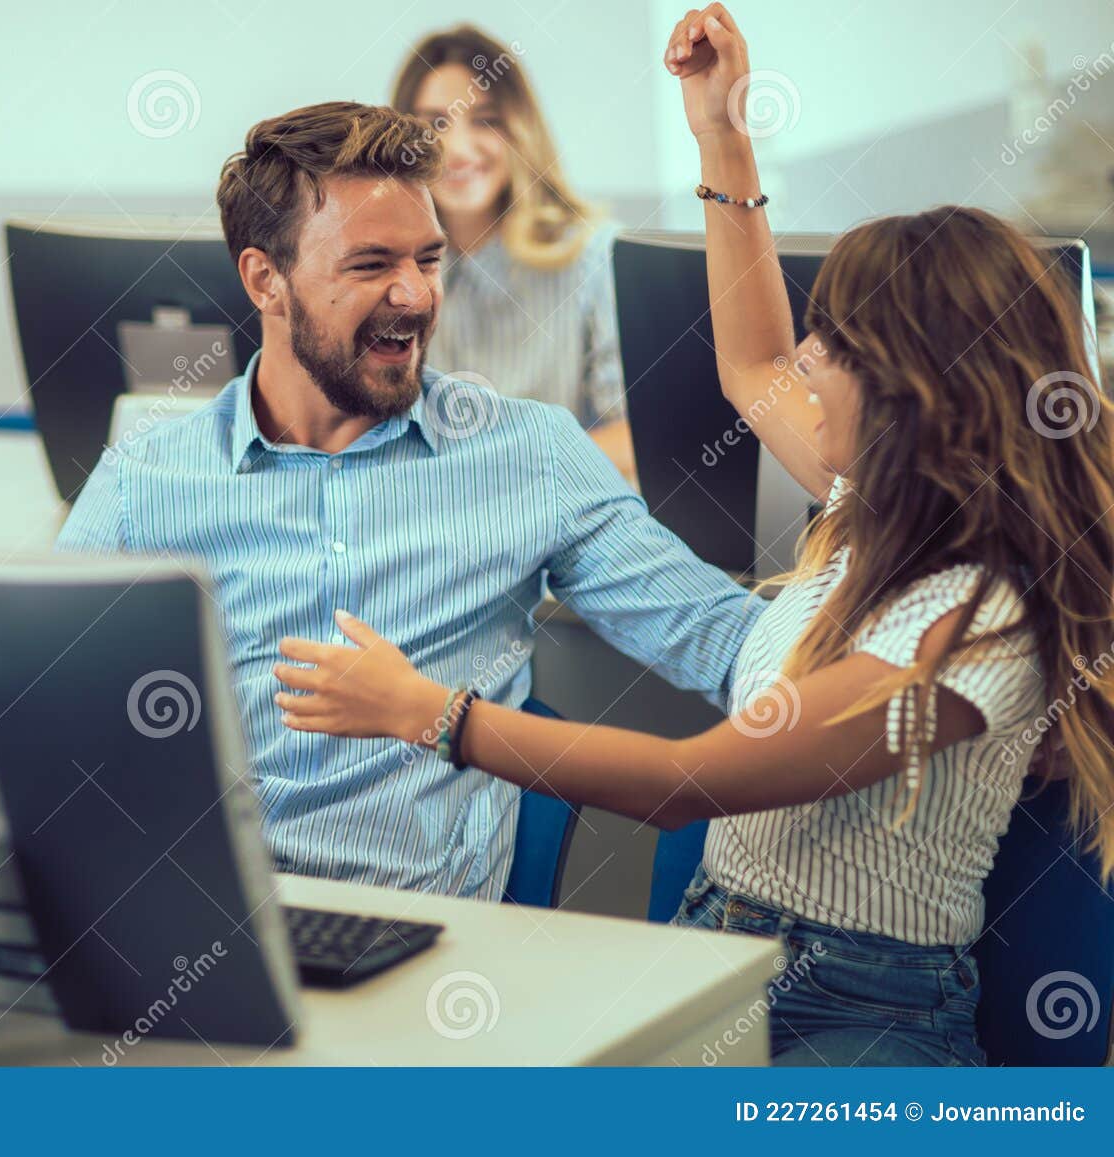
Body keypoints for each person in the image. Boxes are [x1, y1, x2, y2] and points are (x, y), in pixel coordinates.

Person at [272, 5, 1114, 1066]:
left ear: (913, 392)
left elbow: (691, 781)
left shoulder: (973, 621)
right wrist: (720, 131)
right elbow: (752, 363)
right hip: (715, 958)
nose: (805, 363)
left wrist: (431, 714)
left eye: (835, 344)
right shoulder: (870, 501)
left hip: (865, 1012)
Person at [56, 100, 764, 901]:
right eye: (370, 265)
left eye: (428, 260)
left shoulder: (524, 454)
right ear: (266, 279)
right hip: (206, 916)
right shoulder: (144, 483)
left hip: (424, 940)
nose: (415, 295)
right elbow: (41, 719)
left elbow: (734, 646)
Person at [392, 25, 634, 482]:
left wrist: (501, 465)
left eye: (486, 120)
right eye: (434, 124)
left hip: (559, 512)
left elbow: (634, 440)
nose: (457, 149)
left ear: (521, 132)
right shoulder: (385, 273)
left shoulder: (592, 256)